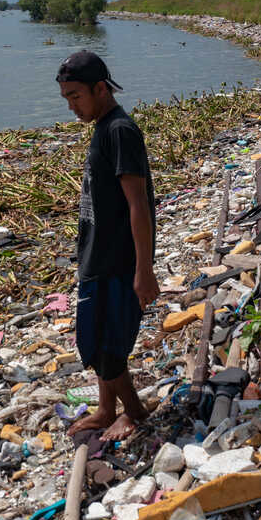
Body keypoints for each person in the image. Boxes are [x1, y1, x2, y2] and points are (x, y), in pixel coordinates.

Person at [57, 50, 160, 441]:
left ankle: (134, 412)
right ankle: (106, 408)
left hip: (118, 262)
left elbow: (139, 205)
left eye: (76, 96)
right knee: (96, 340)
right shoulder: (103, 128)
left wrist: (143, 269)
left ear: (100, 88)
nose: (72, 106)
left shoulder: (120, 130)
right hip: (95, 257)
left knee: (109, 347)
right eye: (66, 98)